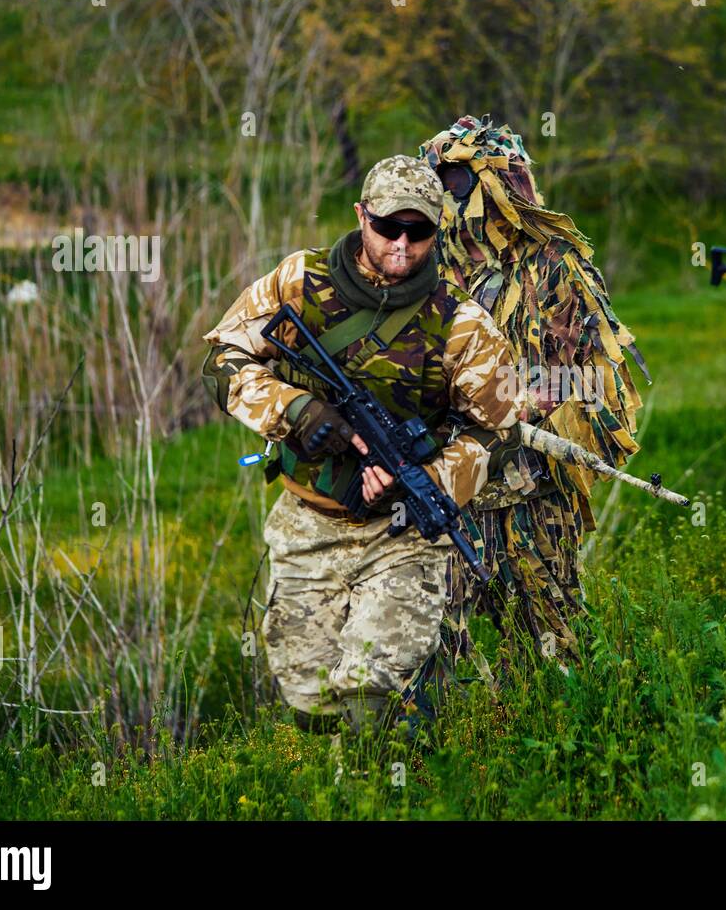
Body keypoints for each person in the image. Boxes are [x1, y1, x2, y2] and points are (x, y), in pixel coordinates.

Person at [200, 154, 519, 733]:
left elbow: (498, 431)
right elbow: (223, 360)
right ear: (361, 216)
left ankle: (397, 787)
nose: (402, 243)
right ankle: (337, 794)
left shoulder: (462, 324)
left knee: (372, 695)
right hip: (307, 523)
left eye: (418, 231)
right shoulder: (300, 281)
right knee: (310, 704)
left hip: (401, 534)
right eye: (387, 227)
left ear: (436, 231)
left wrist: (428, 480)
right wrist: (295, 411)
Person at [417, 114, 646, 672]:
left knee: (553, 643)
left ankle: (568, 739)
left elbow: (602, 376)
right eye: (436, 182)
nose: (444, 197)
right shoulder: (429, 271)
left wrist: (520, 399)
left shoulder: (554, 266)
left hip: (534, 492)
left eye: (454, 181)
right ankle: (452, 748)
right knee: (433, 642)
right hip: (452, 488)